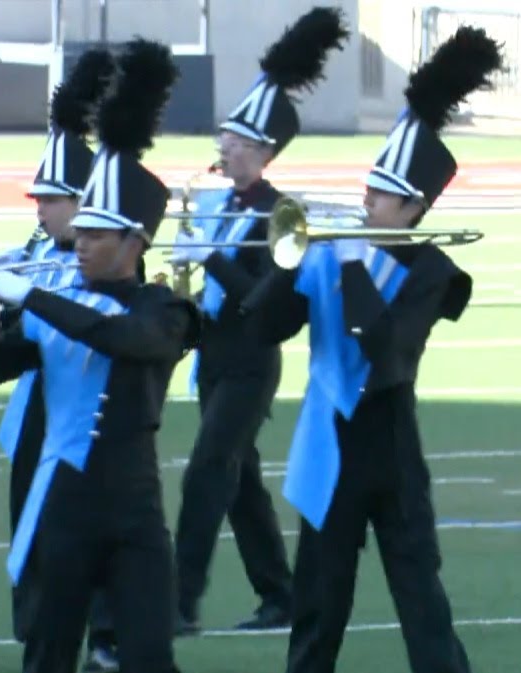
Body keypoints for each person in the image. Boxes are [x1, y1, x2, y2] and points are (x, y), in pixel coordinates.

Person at [237, 26, 501, 673]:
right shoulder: (331, 252)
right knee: (317, 617)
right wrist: (291, 263)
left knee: (425, 619)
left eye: (381, 197)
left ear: (413, 207)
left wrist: (352, 265)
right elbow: (261, 326)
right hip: (331, 458)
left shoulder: (436, 273)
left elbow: (387, 354)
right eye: (368, 191)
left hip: (392, 457)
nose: (366, 206)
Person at [0, 38, 197, 673]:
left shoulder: (164, 309)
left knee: (152, 671)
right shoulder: (57, 305)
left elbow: (123, 338)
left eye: (97, 233)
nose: (80, 243)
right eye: (79, 230)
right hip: (63, 512)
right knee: (46, 668)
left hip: (137, 520)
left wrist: (30, 297)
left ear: (134, 243)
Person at [167, 5, 349, 635]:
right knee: (240, 483)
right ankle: (280, 595)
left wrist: (210, 256)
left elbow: (260, 298)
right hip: (213, 356)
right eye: (225, 136)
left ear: (266, 152)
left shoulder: (282, 215)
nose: (225, 147)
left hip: (250, 360)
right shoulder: (216, 203)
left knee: (205, 474)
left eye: (239, 141)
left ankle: (179, 602)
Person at [0, 45, 124, 673]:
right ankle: (39, 633)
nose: (40, 209)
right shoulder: (36, 255)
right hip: (36, 417)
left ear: (81, 200)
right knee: (29, 521)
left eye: (51, 198)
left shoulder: (105, 263)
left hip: (93, 415)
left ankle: (108, 637)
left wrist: (28, 300)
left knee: (97, 531)